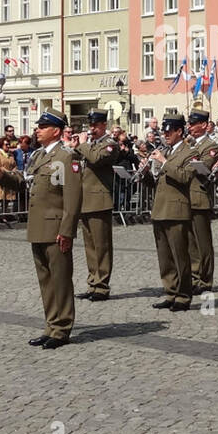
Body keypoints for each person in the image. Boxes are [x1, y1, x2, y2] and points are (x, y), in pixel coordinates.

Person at [0, 109, 82, 349]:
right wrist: (1, 175)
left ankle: (62, 329)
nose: (37, 129)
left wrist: (67, 230)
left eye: (42, 126)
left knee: (60, 280)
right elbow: (23, 182)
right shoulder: (39, 155)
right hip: (38, 225)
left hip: (56, 227)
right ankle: (51, 325)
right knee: (46, 280)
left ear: (56, 131)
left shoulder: (66, 157)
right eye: (38, 126)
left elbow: (72, 196)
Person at [149, 112, 198, 312]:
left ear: (179, 131)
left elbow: (185, 176)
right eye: (164, 130)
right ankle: (170, 291)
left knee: (180, 255)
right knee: (165, 257)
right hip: (160, 208)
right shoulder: (165, 150)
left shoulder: (189, 152)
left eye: (169, 131)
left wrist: (164, 162)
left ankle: (184, 296)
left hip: (177, 209)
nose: (165, 134)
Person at [74, 111, 119, 302]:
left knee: (101, 246)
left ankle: (102, 286)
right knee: (90, 247)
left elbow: (96, 159)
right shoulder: (90, 145)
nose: (91, 129)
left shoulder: (110, 145)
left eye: (95, 125)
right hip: (85, 200)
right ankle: (93, 282)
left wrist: (82, 145)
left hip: (100, 201)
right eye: (90, 125)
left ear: (103, 125)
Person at [185, 108, 218, 293]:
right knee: (190, 242)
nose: (189, 127)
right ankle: (194, 276)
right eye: (189, 124)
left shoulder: (210, 146)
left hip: (199, 197)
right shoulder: (188, 145)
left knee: (202, 242)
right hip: (185, 198)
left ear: (204, 125)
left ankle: (205, 279)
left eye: (193, 124)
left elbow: (204, 167)